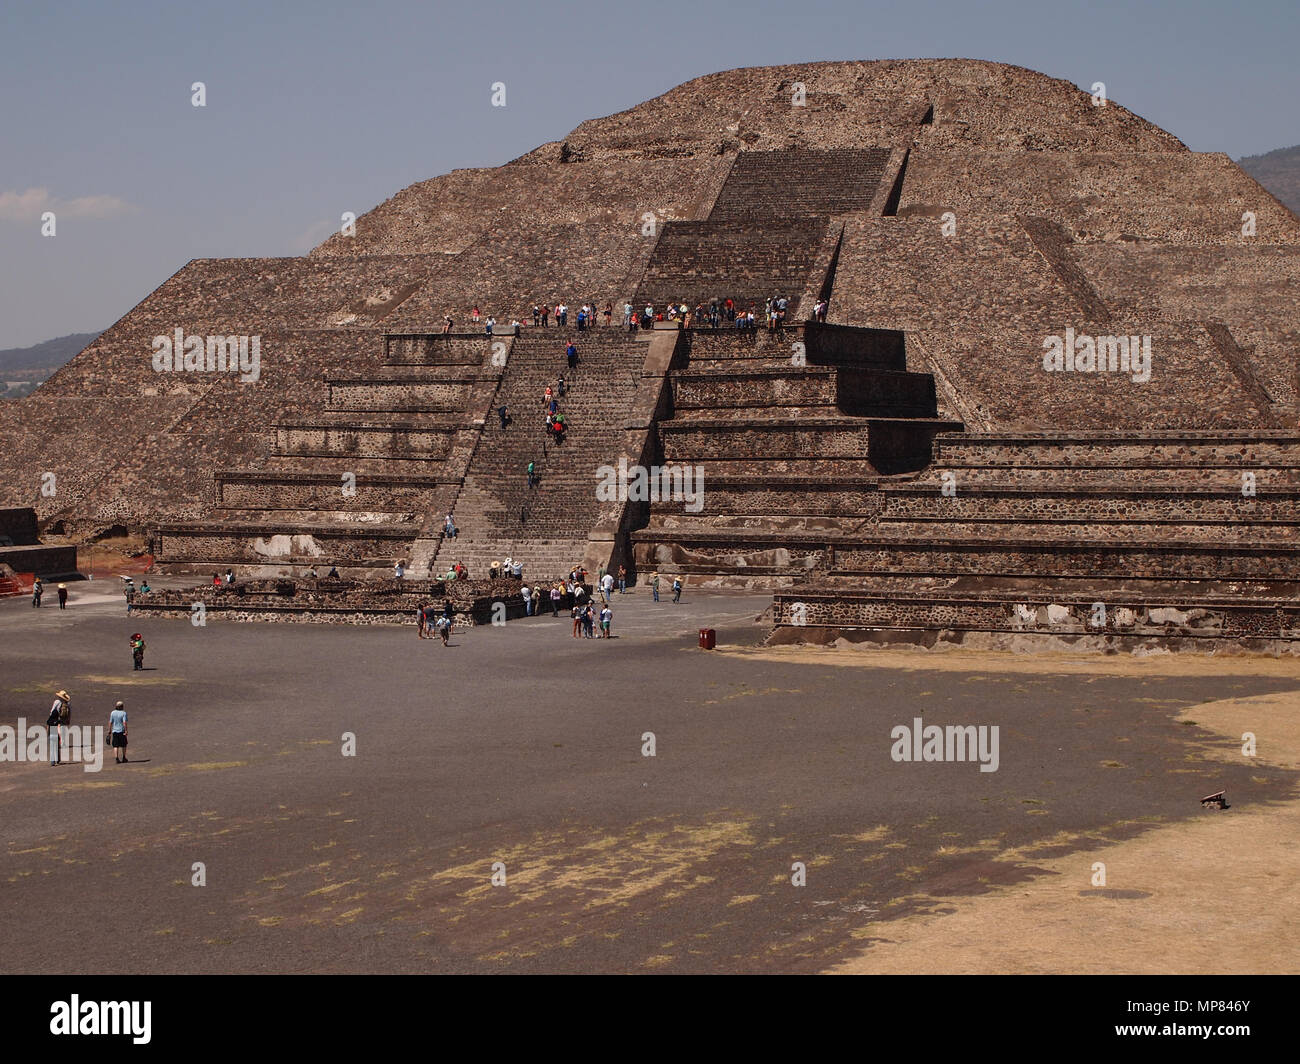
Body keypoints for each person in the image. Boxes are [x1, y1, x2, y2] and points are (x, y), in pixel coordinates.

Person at [48, 691, 69, 766]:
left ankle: (53, 761)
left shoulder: (56, 702)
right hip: (60, 722)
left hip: (54, 723)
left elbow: (51, 713)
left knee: (53, 742)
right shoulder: (66, 704)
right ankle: (57, 758)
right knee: (57, 741)